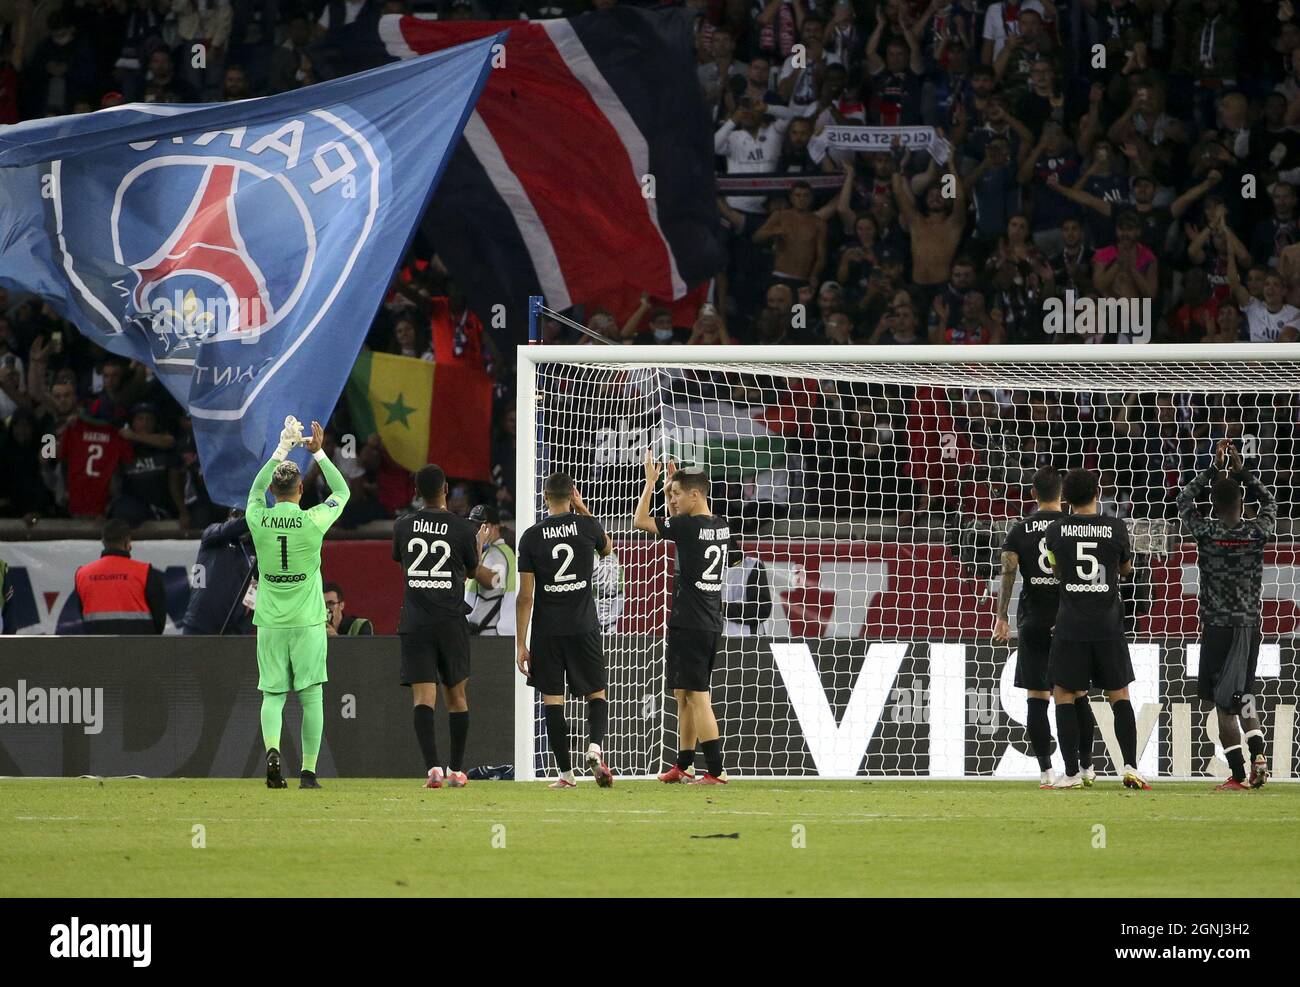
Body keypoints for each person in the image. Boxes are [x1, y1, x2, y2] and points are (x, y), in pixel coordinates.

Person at [246, 417, 349, 790]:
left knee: (273, 694)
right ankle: (307, 772)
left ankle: (273, 751)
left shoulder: (258, 518)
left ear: (274, 489)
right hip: (307, 621)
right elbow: (342, 491)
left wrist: (281, 450)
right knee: (311, 696)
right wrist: (318, 451)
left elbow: (253, 492)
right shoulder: (313, 521)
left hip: (271, 621)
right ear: (302, 489)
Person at [634, 454, 740, 785]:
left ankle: (717, 770)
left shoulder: (687, 526)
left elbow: (641, 521)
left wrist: (653, 484)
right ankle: (684, 765)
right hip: (708, 618)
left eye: (678, 493)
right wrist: (671, 495)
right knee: (683, 694)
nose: (674, 499)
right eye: (671, 494)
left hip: (691, 620)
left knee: (697, 696)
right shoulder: (720, 525)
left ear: (695, 495)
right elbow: (733, 559)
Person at [1176, 439, 1275, 791]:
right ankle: (1259, 757)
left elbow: (1183, 501)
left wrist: (1212, 470)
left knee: (1222, 703)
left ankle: (1236, 775)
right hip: (1251, 624)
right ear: (1241, 501)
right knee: (1244, 695)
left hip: (1219, 626)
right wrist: (1241, 470)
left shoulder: (1207, 532)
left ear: (1213, 505)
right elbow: (1270, 501)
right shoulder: (1256, 531)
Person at [1043, 468, 1148, 791]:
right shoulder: (1116, 528)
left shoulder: (1056, 531)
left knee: (1064, 695)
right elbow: (1127, 570)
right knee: (1120, 695)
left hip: (1071, 625)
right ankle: (1130, 767)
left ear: (1066, 499)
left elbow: (1057, 569)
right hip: (1108, 624)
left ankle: (1073, 773)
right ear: (1097, 494)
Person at [994, 465, 1097, 788]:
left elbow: (1008, 573)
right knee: (1077, 694)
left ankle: (1046, 773)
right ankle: (1086, 767)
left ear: (1032, 494)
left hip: (1033, 621)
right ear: (1063, 495)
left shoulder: (1019, 530)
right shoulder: (1072, 527)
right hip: (1069, 621)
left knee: (1037, 698)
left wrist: (1002, 617)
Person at [392, 464, 493, 789]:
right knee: (457, 697)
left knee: (423, 698)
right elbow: (471, 570)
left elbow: (402, 562)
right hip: (450, 620)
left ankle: (433, 769)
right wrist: (476, 552)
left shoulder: (403, 525)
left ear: (417, 492)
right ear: (446, 488)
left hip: (416, 620)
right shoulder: (463, 529)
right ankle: (457, 770)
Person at [515, 472, 615, 789]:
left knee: (552, 701)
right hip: (583, 625)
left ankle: (566, 774)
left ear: (545, 497)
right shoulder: (587, 527)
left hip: (548, 630)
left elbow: (526, 596)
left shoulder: (531, 537)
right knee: (595, 692)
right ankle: (595, 747)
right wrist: (583, 509)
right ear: (572, 495)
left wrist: (521, 643)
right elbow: (607, 548)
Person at [72, 518, 166, 635]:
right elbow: (159, 619)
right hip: (139, 648)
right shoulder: (145, 572)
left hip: (97, 649)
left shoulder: (82, 574)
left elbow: (82, 614)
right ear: (127, 542)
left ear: (103, 542)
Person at [181, 509, 253, 635]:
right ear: (228, 516)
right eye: (236, 514)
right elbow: (227, 530)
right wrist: (255, 518)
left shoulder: (255, 552)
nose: (239, 519)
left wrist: (240, 630)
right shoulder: (212, 534)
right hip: (199, 624)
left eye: (244, 515)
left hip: (230, 632)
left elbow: (254, 595)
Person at [464, 504, 517, 637]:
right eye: (474, 526)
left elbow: (490, 582)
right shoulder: (496, 552)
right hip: (485, 632)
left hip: (487, 634)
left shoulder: (497, 555)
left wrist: (478, 545)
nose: (477, 531)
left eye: (482, 526)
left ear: (495, 527)